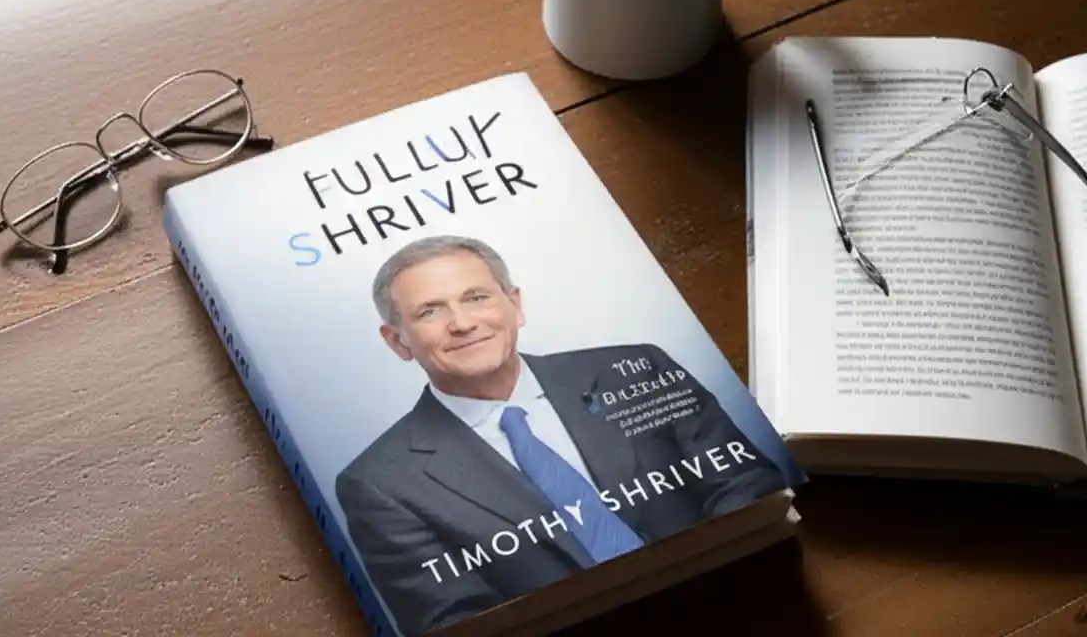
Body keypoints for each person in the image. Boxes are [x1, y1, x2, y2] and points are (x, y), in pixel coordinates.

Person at [335, 235, 786, 635]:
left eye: (476, 297)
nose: (462, 322)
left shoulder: (635, 368)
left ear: (515, 305)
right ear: (398, 341)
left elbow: (745, 484)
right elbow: (455, 622)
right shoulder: (378, 484)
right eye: (430, 311)